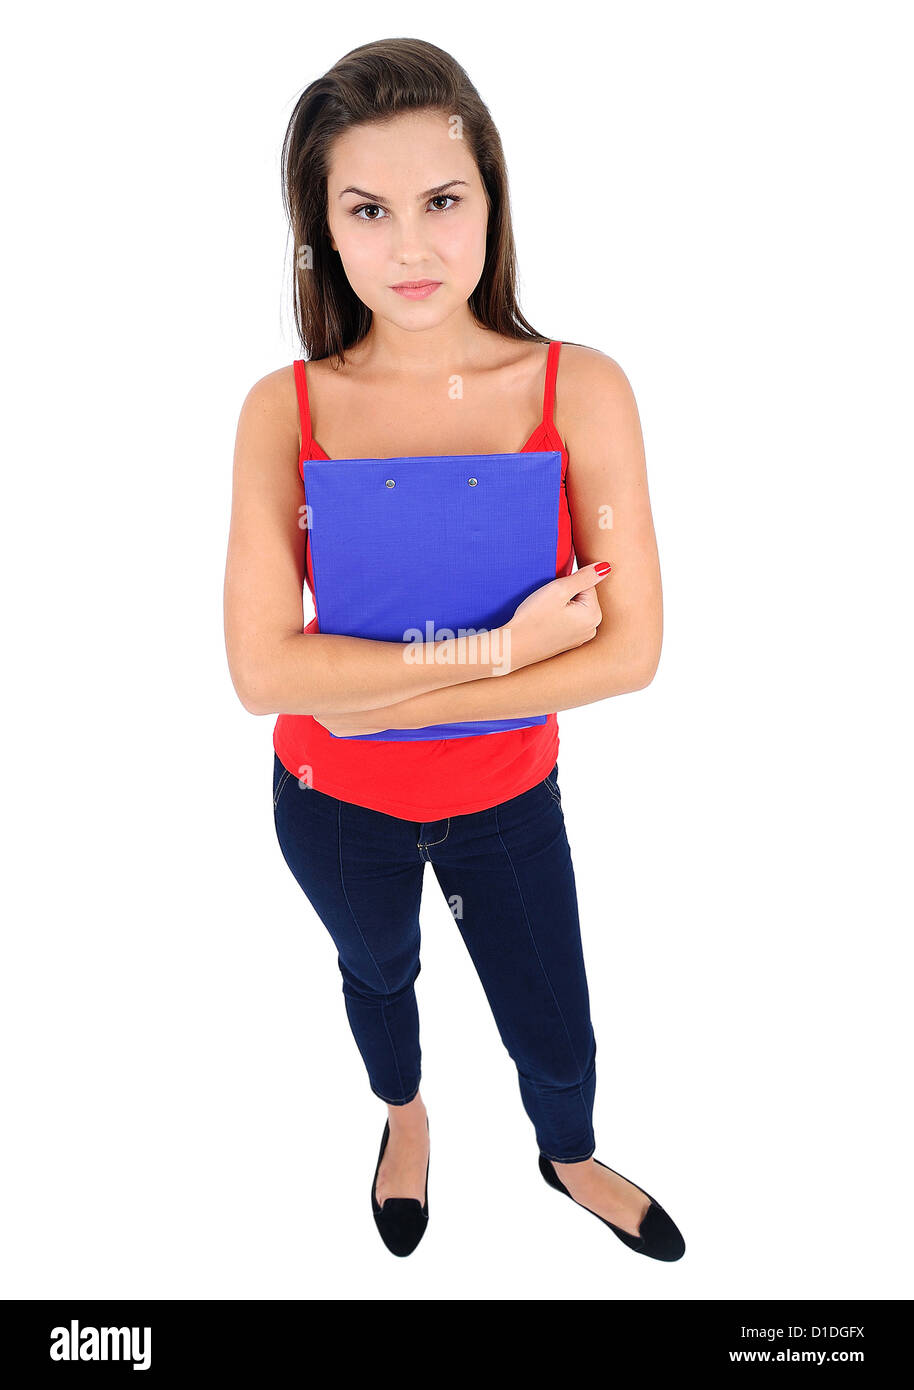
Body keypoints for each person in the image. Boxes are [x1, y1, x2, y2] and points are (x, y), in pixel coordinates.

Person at [224, 37, 684, 1261]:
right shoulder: (286, 410)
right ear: (319, 228)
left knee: (554, 1020)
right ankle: (402, 1112)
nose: (412, 247)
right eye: (367, 211)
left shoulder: (577, 391)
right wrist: (500, 651)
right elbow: (263, 673)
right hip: (332, 802)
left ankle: (566, 1151)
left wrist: (370, 692)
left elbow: (630, 651)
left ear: (489, 200)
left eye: (442, 201)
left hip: (504, 795)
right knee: (376, 975)